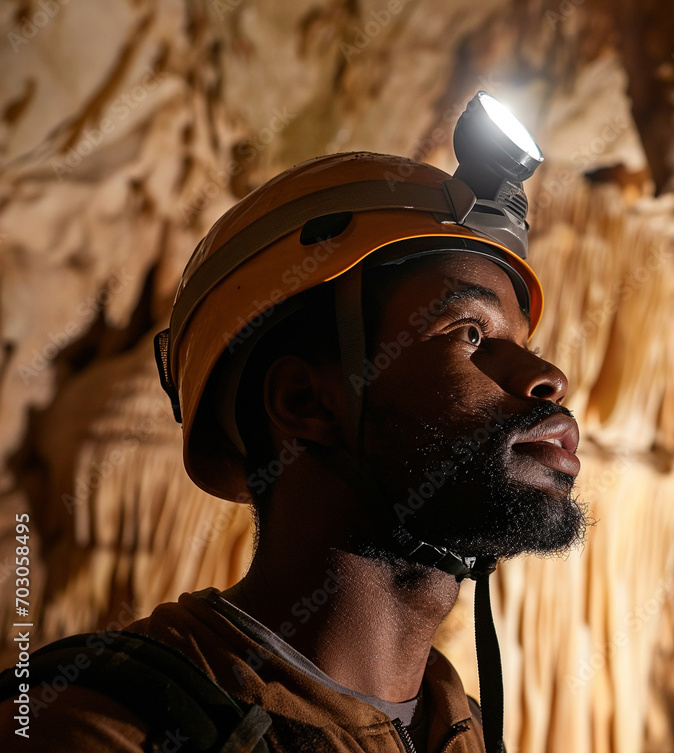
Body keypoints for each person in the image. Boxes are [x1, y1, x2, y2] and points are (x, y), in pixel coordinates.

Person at [1, 93, 588, 752]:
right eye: (471, 333)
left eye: (527, 339)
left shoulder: (466, 732)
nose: (548, 377)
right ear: (306, 401)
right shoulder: (95, 725)